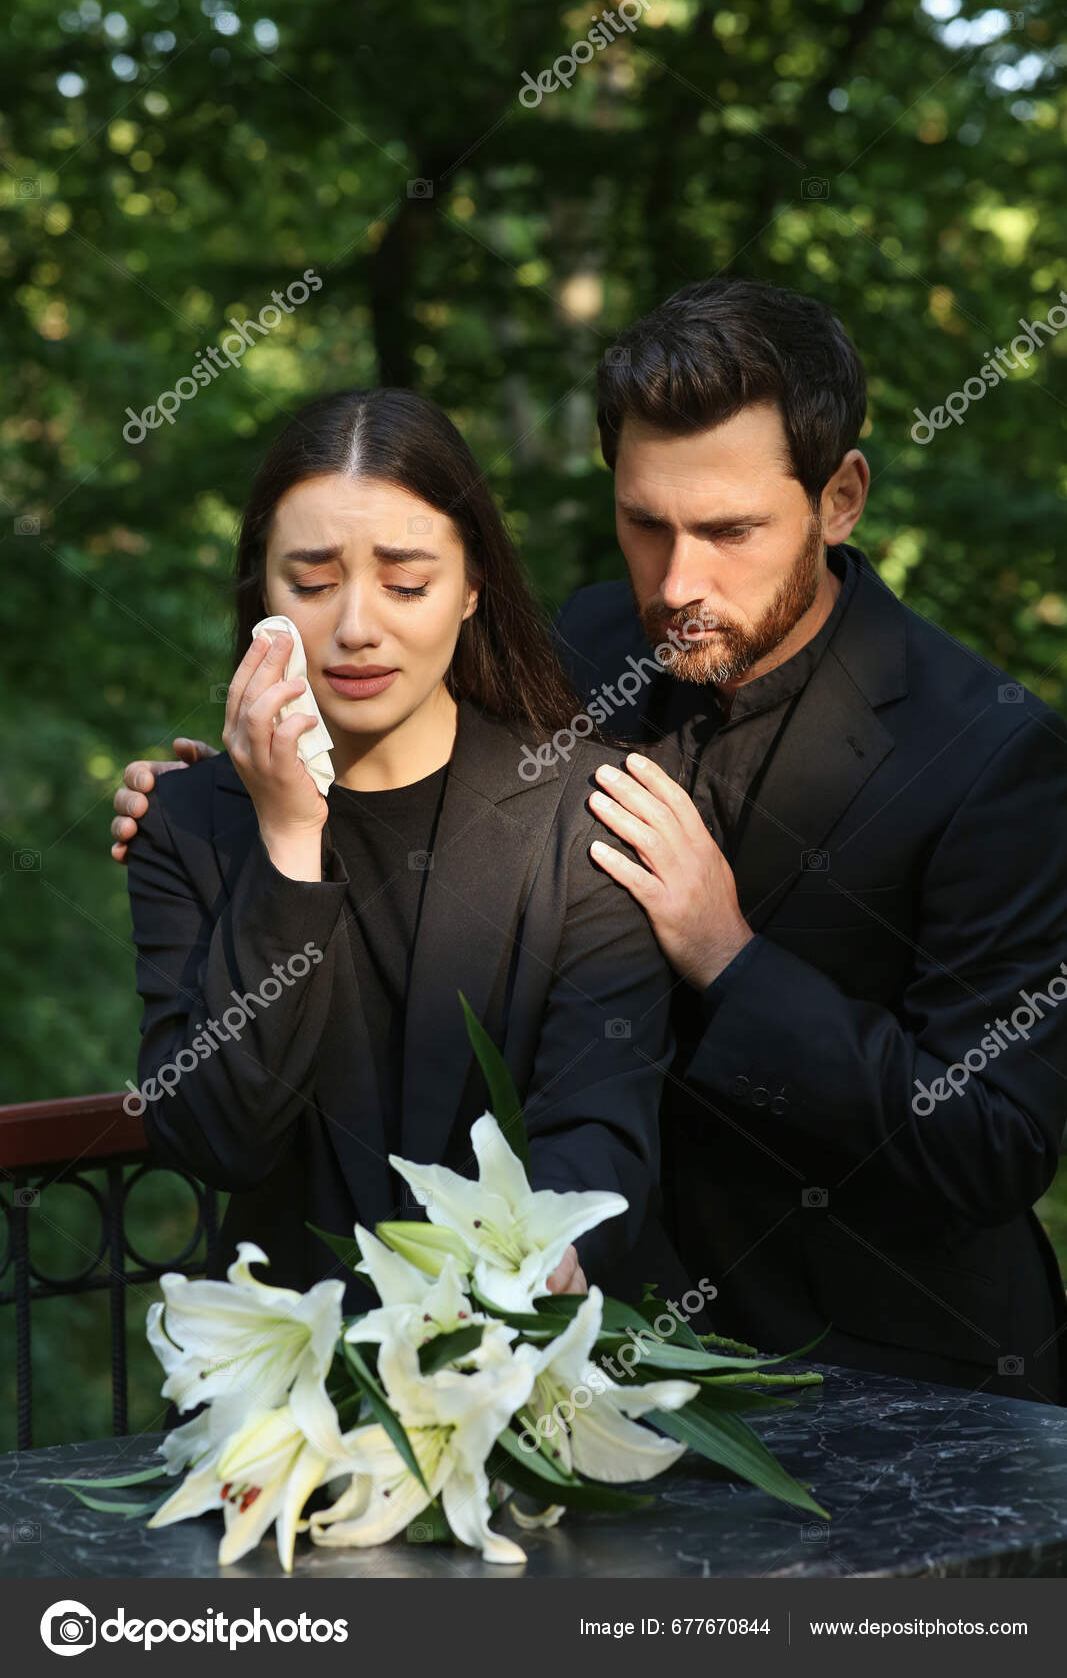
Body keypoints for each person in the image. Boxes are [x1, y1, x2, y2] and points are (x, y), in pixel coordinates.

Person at [116, 280, 1067, 1406]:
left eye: (728, 531)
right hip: (593, 1362)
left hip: (887, 1378)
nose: (675, 583)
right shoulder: (584, 642)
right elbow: (397, 742)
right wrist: (220, 805)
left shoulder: (984, 755)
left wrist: (730, 957)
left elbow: (988, 1146)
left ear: (840, 496)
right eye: (643, 523)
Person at [119, 385, 681, 1309]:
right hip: (289, 1385)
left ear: (471, 589)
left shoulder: (585, 810)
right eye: (309, 582)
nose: (355, 628)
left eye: (406, 582)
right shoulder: (185, 824)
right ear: (261, 592)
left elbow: (599, 1114)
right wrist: (291, 841)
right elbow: (217, 1136)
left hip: (517, 1354)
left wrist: (541, 1250)